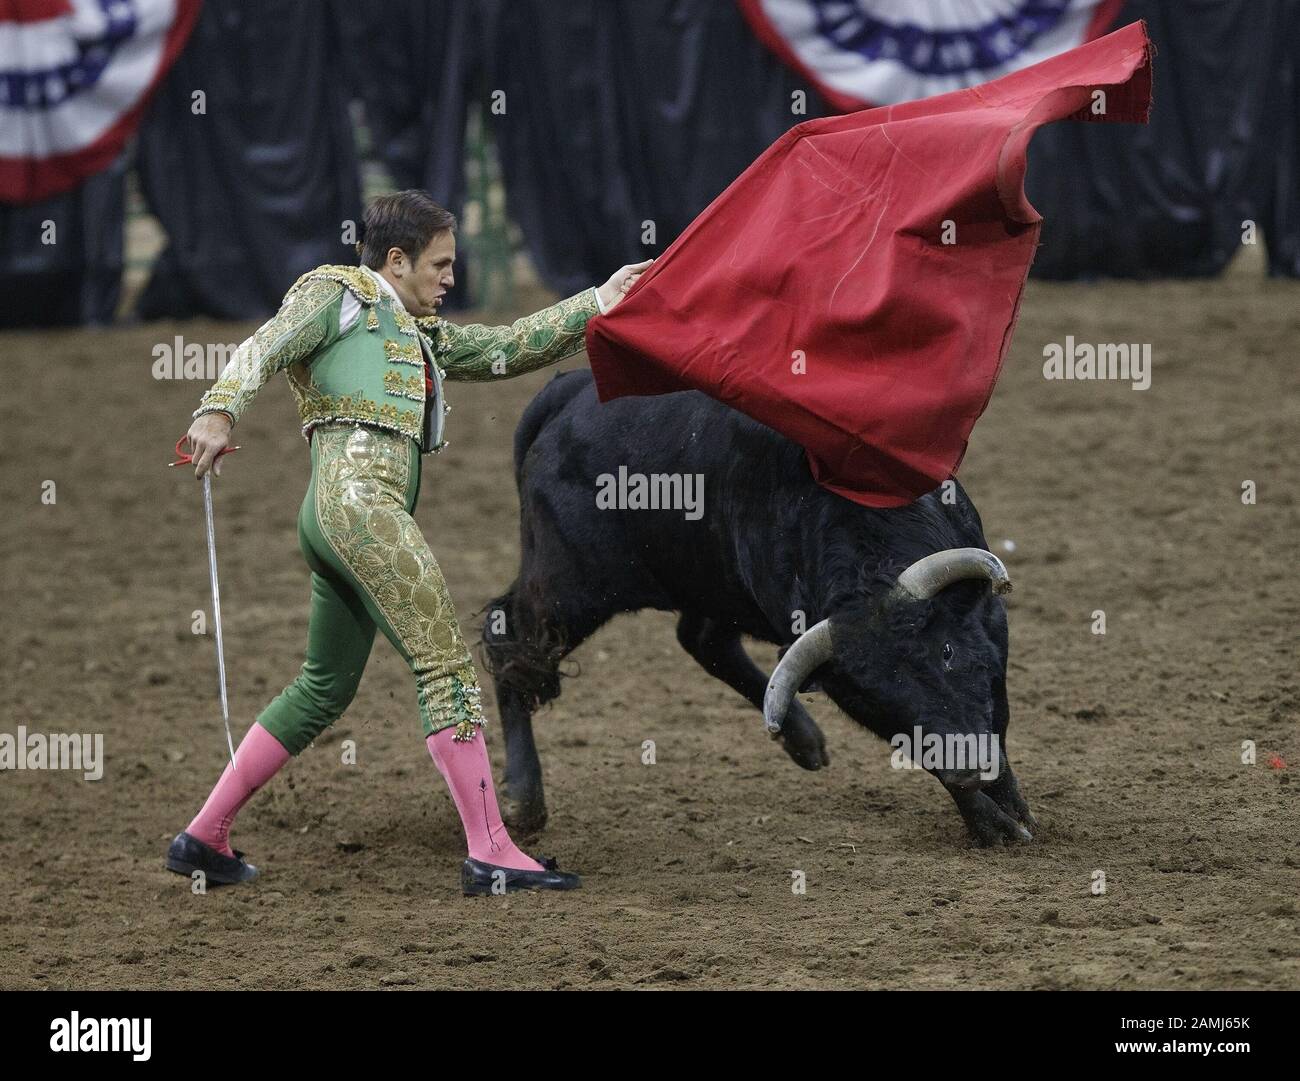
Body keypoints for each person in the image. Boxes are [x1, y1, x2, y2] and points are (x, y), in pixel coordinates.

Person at [166, 189, 650, 895]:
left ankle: (204, 835)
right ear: (397, 259)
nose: (451, 278)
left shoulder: (417, 331)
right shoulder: (336, 293)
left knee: (323, 685)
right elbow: (264, 344)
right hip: (361, 508)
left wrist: (597, 300)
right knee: (446, 663)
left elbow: (505, 346)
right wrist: (217, 408)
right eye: (441, 263)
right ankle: (490, 850)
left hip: (337, 515)